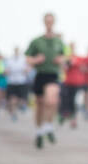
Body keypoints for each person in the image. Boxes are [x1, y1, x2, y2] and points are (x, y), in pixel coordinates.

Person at [25, 14, 67, 148]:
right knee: (40, 105)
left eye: (51, 21)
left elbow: (64, 57)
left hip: (53, 74)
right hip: (40, 74)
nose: (49, 24)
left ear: (54, 22)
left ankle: (48, 126)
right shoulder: (37, 41)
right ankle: (39, 131)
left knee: (51, 100)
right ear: (44, 23)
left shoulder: (58, 41)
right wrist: (35, 60)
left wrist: (61, 60)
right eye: (47, 21)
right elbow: (27, 58)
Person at [3, 47, 30, 120]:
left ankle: (19, 108)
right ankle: (13, 114)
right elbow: (5, 70)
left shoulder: (23, 59)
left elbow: (28, 69)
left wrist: (26, 71)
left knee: (20, 100)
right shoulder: (9, 59)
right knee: (12, 99)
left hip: (21, 82)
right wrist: (6, 72)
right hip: (12, 82)